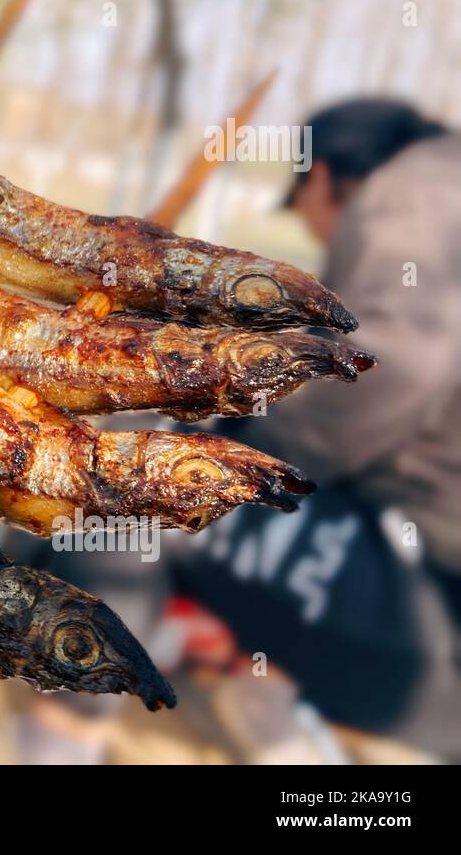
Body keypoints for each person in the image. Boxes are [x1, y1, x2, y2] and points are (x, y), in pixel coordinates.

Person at [170, 99, 461, 759]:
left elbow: (400, 368)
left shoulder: (413, 192)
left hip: (433, 625)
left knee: (154, 488)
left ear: (323, 175)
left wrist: (249, 454)